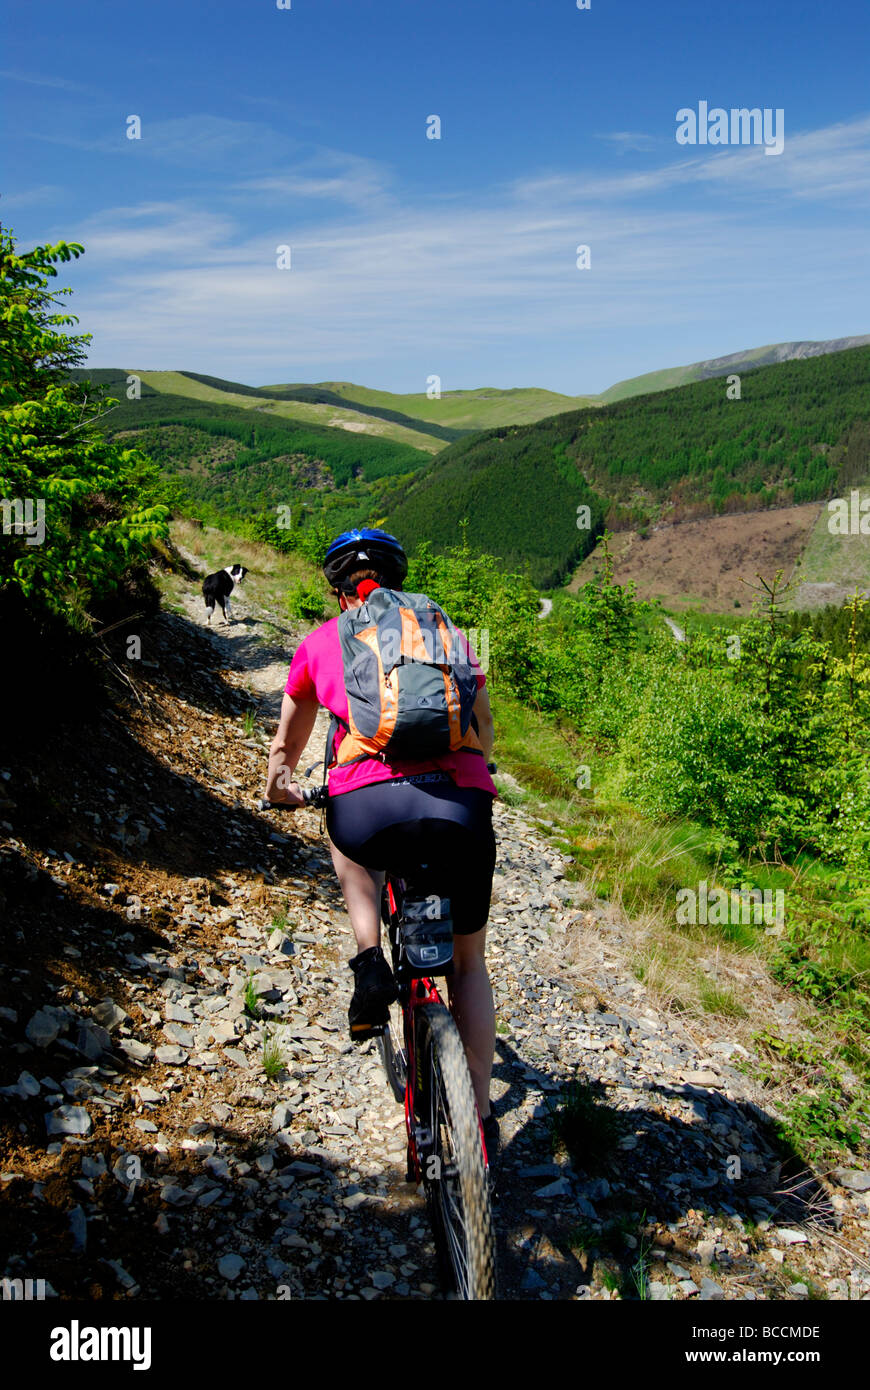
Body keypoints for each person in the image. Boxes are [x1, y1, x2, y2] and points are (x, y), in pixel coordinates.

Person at [265, 528, 499, 1157]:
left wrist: (281, 785)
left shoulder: (321, 642)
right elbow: (483, 725)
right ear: (400, 582)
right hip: (461, 807)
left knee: (343, 818)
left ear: (339, 592)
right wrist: (479, 773)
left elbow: (288, 740)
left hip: (370, 811)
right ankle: (478, 1118)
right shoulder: (449, 634)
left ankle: (370, 960)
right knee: (469, 963)